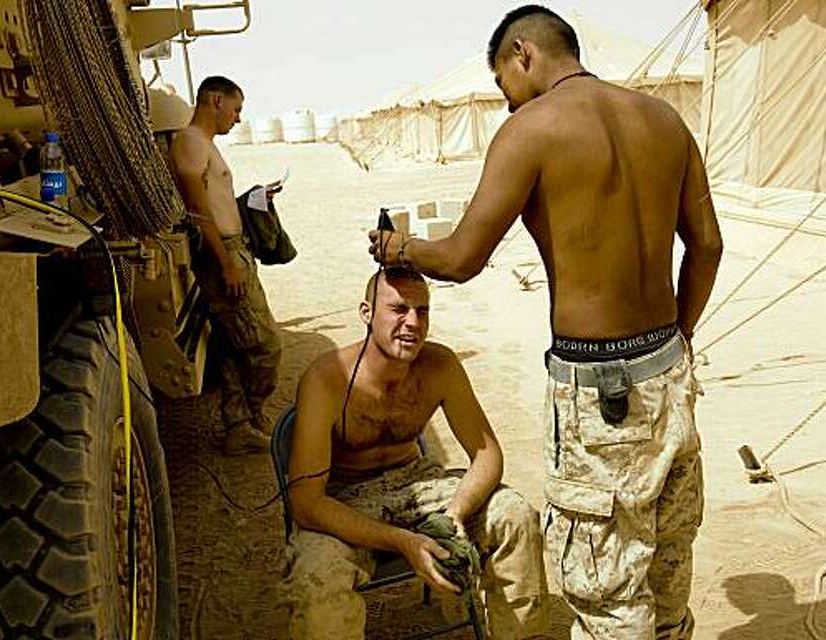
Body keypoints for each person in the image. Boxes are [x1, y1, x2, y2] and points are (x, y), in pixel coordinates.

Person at [369, 6, 723, 639]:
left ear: (522, 54)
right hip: (669, 369)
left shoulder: (529, 130)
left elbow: (460, 258)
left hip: (600, 391)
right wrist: (682, 337)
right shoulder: (665, 119)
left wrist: (400, 249)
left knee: (606, 588)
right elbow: (708, 246)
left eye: (503, 83)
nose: (508, 100)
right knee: (666, 564)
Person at [280, 267, 548, 640]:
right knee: (316, 576)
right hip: (345, 498)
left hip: (418, 483)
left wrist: (455, 515)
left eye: (422, 311)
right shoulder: (326, 378)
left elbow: (487, 454)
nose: (413, 323)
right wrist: (402, 541)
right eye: (399, 309)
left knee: (516, 516)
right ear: (366, 313)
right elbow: (306, 503)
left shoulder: (440, 365)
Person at [169, 76, 282, 454]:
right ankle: (252, 411)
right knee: (266, 345)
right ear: (215, 100)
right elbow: (197, 209)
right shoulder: (191, 141)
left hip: (232, 248)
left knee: (233, 347)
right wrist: (226, 263)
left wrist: (254, 198)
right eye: (236, 109)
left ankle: (239, 428)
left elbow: (214, 202)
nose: (238, 118)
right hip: (224, 253)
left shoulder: (203, 144)